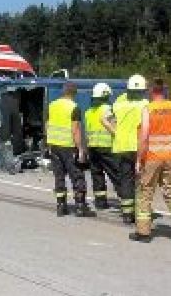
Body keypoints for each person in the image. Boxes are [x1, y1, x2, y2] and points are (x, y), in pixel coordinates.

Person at [129, 79, 171, 245]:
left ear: (151, 91)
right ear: (164, 91)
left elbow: (144, 136)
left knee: (145, 193)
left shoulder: (148, 109)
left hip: (152, 157)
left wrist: (138, 159)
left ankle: (143, 232)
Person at [47, 82, 93, 217]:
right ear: (75, 93)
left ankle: (61, 206)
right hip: (68, 146)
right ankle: (80, 206)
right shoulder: (74, 108)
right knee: (77, 175)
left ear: (63, 91)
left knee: (59, 176)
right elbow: (75, 130)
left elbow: (47, 125)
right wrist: (80, 149)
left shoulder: (52, 105)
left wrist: (48, 143)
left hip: (54, 145)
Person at [111, 74, 149, 223]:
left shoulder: (119, 102)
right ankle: (141, 211)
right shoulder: (145, 104)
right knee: (141, 180)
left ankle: (127, 213)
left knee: (126, 179)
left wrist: (116, 132)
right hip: (139, 146)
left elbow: (105, 118)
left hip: (121, 146)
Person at [84, 83, 119, 210]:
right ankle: (127, 199)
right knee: (116, 174)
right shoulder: (108, 109)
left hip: (92, 147)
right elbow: (115, 127)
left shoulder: (88, 112)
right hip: (107, 147)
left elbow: (86, 132)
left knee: (97, 175)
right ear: (106, 95)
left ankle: (100, 202)